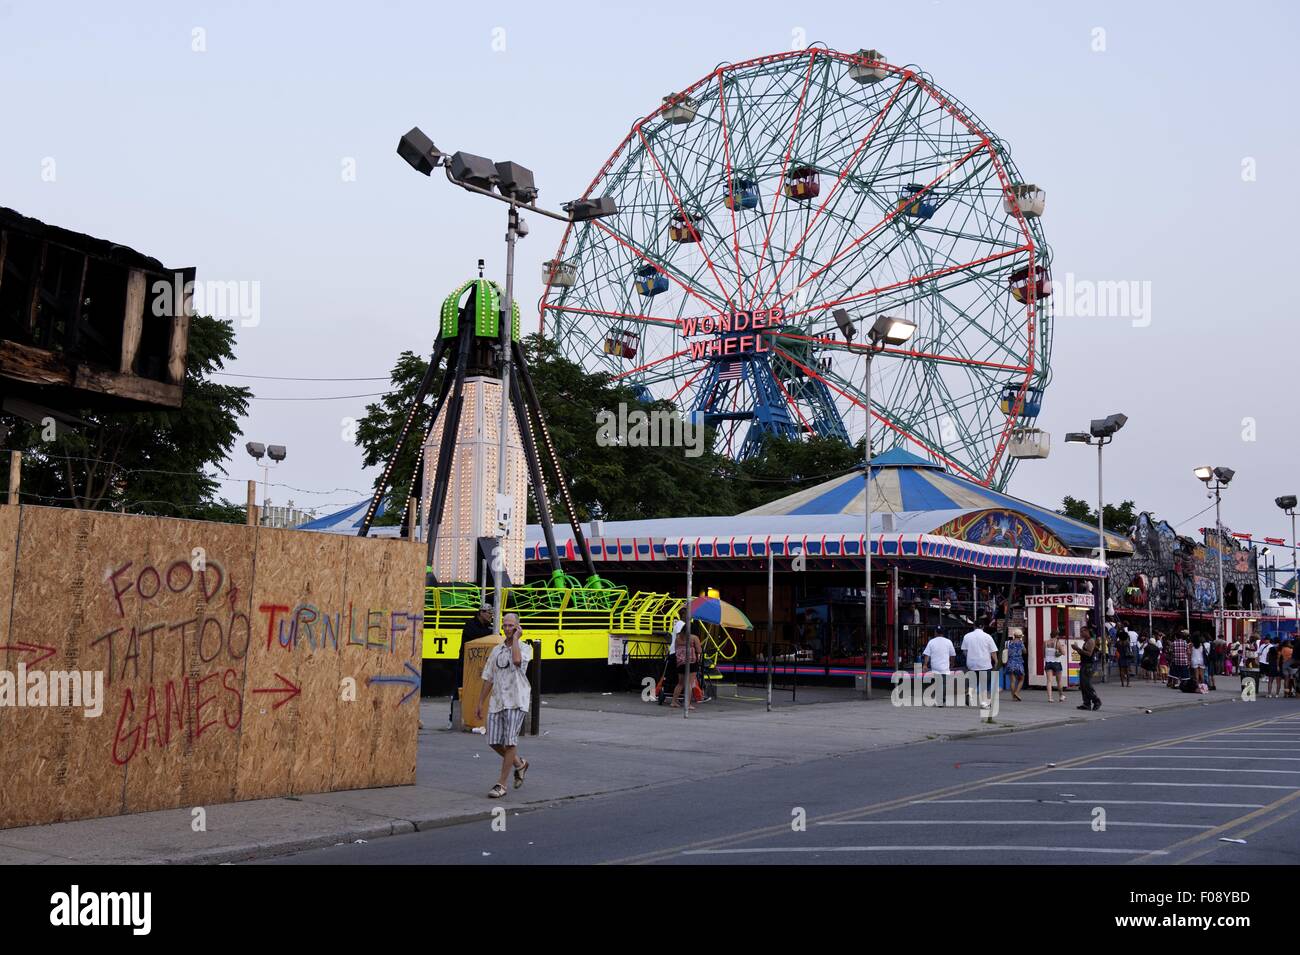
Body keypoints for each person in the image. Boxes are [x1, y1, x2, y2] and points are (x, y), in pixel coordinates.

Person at [474, 613, 532, 799]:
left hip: (516, 700)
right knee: (493, 740)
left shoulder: (524, 648)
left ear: (517, 627)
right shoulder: (497, 650)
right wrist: (480, 702)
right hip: (498, 701)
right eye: (505, 625)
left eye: (511, 626)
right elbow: (488, 677)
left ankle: (502, 784)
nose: (507, 629)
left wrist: (515, 639)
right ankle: (519, 764)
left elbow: (516, 661)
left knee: (510, 741)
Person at [454, 603, 496, 726]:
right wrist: (491, 634)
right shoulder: (470, 625)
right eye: (489, 613)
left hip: (478, 664)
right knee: (459, 690)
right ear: (481, 613)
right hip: (465, 663)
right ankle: (455, 718)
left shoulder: (488, 627)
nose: (490, 616)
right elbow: (477, 635)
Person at [961, 619, 999, 706]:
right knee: (984, 683)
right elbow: (993, 651)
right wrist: (996, 661)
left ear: (974, 626)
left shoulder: (967, 636)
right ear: (983, 626)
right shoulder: (988, 637)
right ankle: (984, 702)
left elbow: (964, 651)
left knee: (973, 681)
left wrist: (969, 658)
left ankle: (969, 693)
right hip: (984, 664)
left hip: (971, 663)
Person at [671, 620, 703, 710]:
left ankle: (673, 701)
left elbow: (676, 648)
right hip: (691, 662)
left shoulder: (678, 638)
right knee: (689, 683)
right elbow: (699, 650)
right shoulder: (694, 638)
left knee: (680, 683)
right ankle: (687, 704)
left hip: (680, 662)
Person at [922, 627, 956, 706]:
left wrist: (925, 664)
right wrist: (952, 662)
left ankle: (940, 698)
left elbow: (927, 655)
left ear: (936, 632)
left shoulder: (931, 642)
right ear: (943, 633)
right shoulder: (948, 642)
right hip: (945, 667)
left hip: (935, 666)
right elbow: (953, 654)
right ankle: (942, 698)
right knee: (944, 683)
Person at [1077, 626, 1101, 711]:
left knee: (1087, 684)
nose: (1081, 634)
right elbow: (1084, 654)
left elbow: (1089, 654)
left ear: (1087, 632)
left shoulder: (1091, 641)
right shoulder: (1087, 641)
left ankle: (1096, 700)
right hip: (1084, 664)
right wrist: (1078, 650)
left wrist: (1078, 649)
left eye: (1082, 632)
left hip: (1088, 665)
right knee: (1083, 685)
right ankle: (1086, 703)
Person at [1043, 630, 1067, 703]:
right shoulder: (1058, 643)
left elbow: (1043, 654)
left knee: (1049, 681)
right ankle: (1061, 696)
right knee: (1059, 681)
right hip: (1056, 663)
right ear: (1057, 635)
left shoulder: (1045, 642)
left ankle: (1050, 698)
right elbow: (1063, 653)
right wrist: (1058, 653)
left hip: (1048, 662)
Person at [1004, 626, 1026, 701]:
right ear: (1020, 636)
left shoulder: (1008, 643)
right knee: (1022, 679)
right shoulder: (1021, 643)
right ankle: (1016, 692)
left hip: (1010, 662)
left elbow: (1006, 652)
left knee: (1012, 680)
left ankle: (1013, 697)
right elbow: (1025, 651)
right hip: (1019, 662)